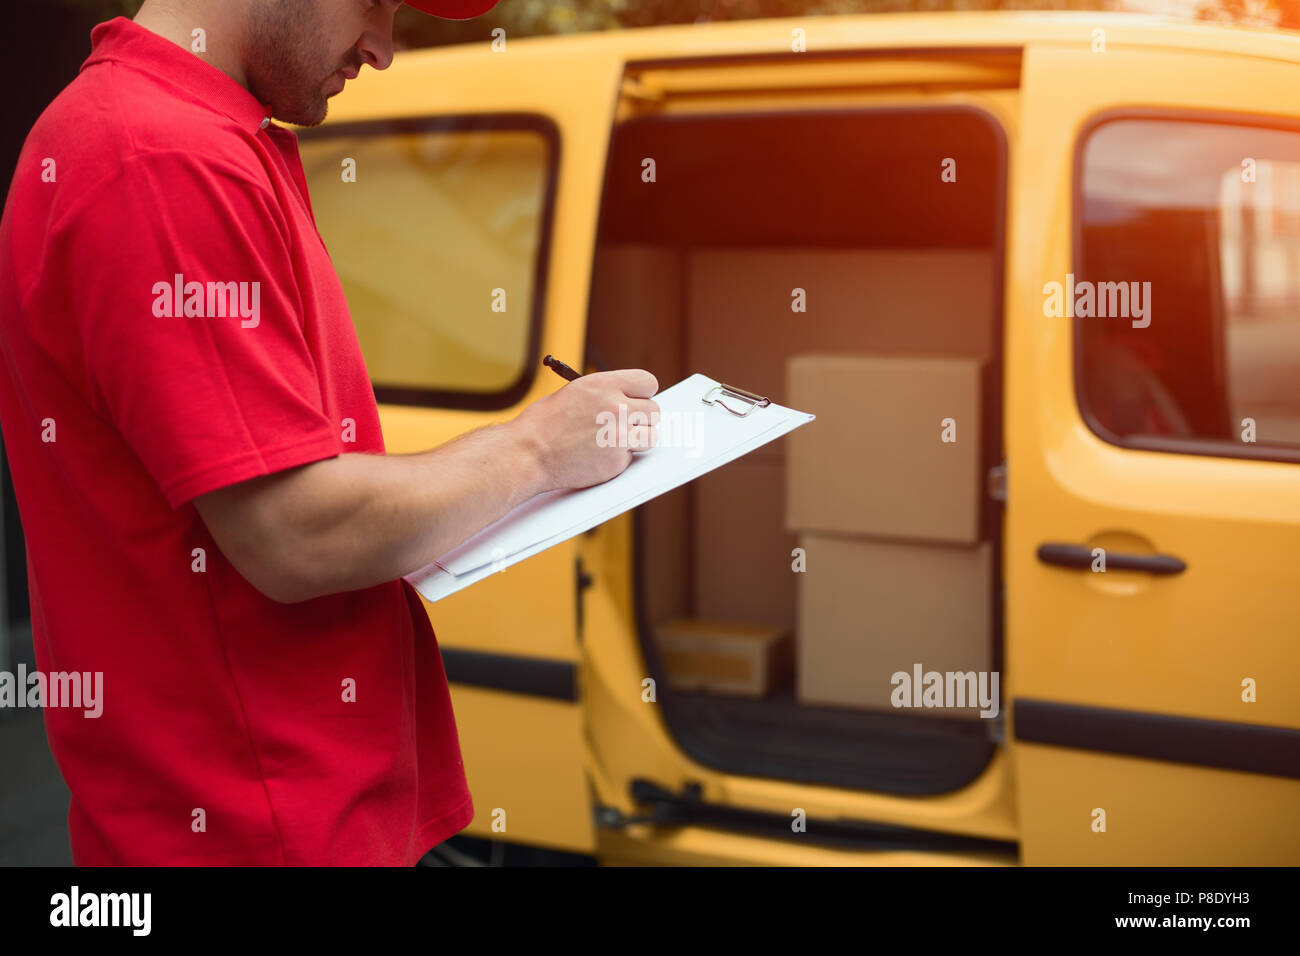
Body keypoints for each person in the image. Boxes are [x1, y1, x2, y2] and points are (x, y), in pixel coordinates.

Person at [0, 0, 658, 865]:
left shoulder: (186, 133)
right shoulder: (160, 157)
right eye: (378, 3)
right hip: (253, 833)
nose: (383, 48)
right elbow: (295, 532)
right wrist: (539, 447)